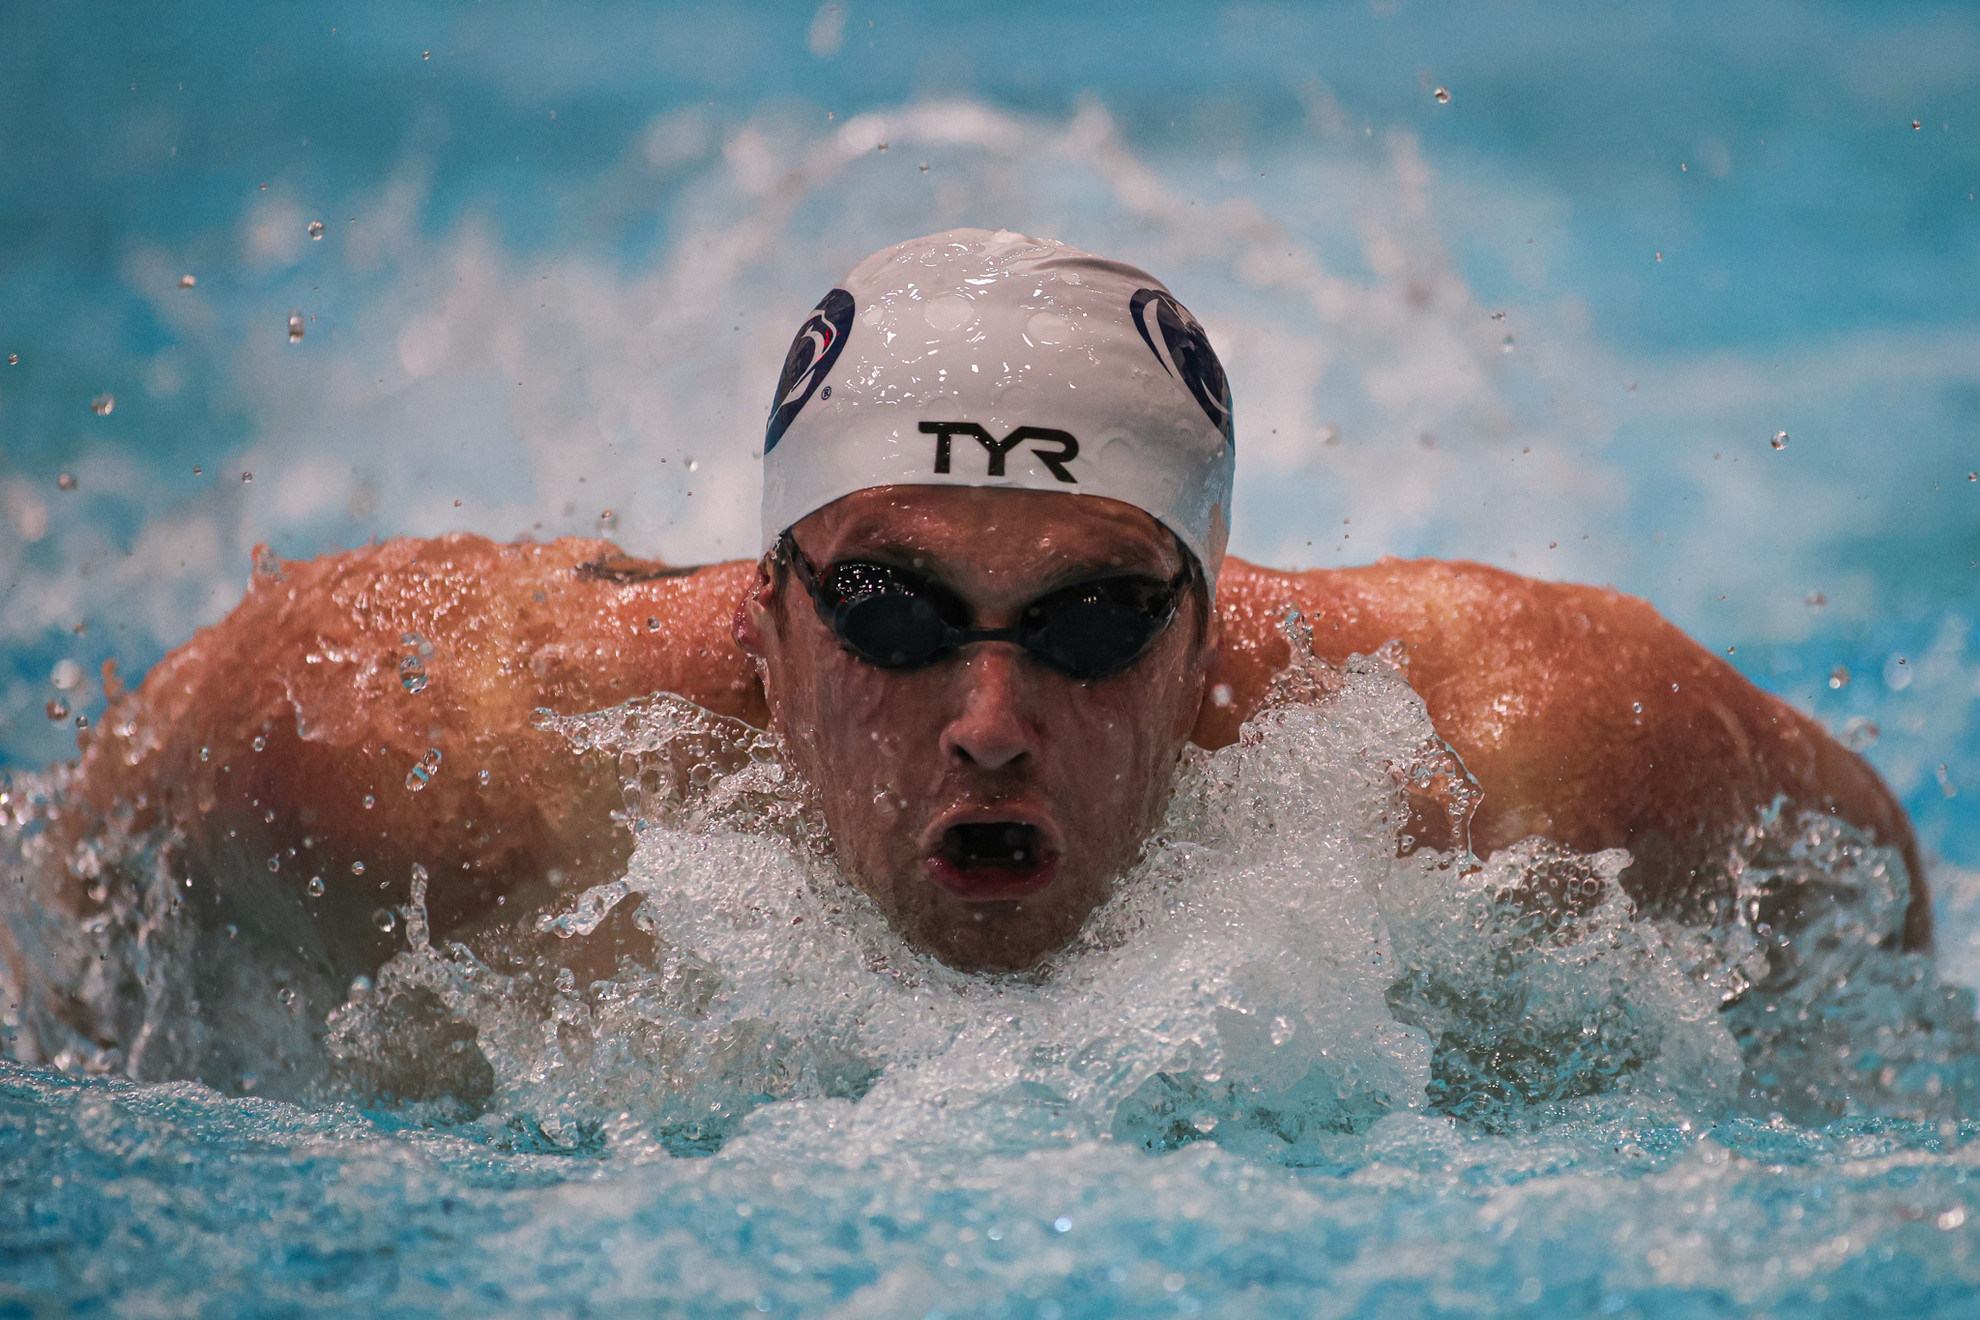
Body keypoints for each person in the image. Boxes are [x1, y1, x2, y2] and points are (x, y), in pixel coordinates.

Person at [39, 230, 1928, 1001]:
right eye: (891, 608)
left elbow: (1877, 916)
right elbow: (80, 902)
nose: (992, 715)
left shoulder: (1526, 751)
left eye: (1096, 622)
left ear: (1211, 633)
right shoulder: (423, 737)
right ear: (763, 616)